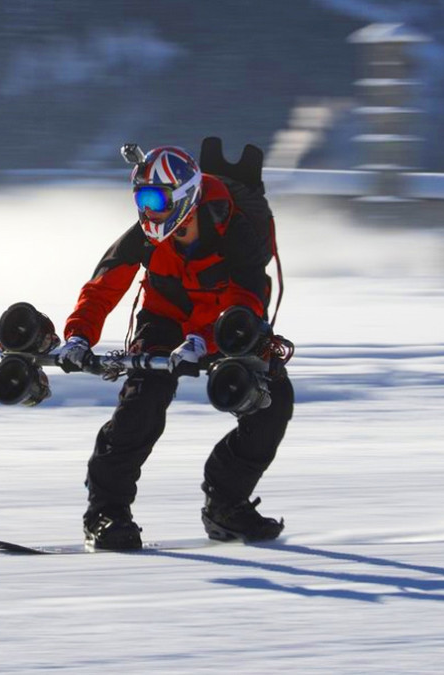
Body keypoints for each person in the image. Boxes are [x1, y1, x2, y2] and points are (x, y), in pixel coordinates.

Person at [57, 144, 293, 550]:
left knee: (273, 404)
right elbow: (104, 284)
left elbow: (249, 297)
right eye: (141, 200)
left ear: (184, 196)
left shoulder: (238, 232)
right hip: (164, 319)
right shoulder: (146, 235)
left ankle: (226, 506)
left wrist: (205, 339)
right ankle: (106, 513)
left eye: (155, 200)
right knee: (142, 402)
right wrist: (79, 334)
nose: (147, 212)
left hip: (228, 326)